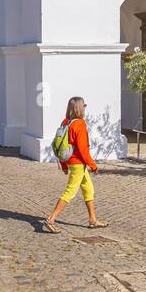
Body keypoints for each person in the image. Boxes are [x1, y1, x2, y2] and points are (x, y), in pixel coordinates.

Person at [42, 97, 107, 234]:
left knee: (88, 189)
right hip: (78, 164)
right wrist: (93, 165)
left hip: (72, 162)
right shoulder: (80, 124)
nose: (84, 108)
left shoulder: (65, 122)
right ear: (79, 108)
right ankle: (50, 219)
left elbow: (59, 145)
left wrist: (64, 165)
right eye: (84, 106)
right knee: (70, 192)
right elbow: (83, 149)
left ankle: (93, 220)